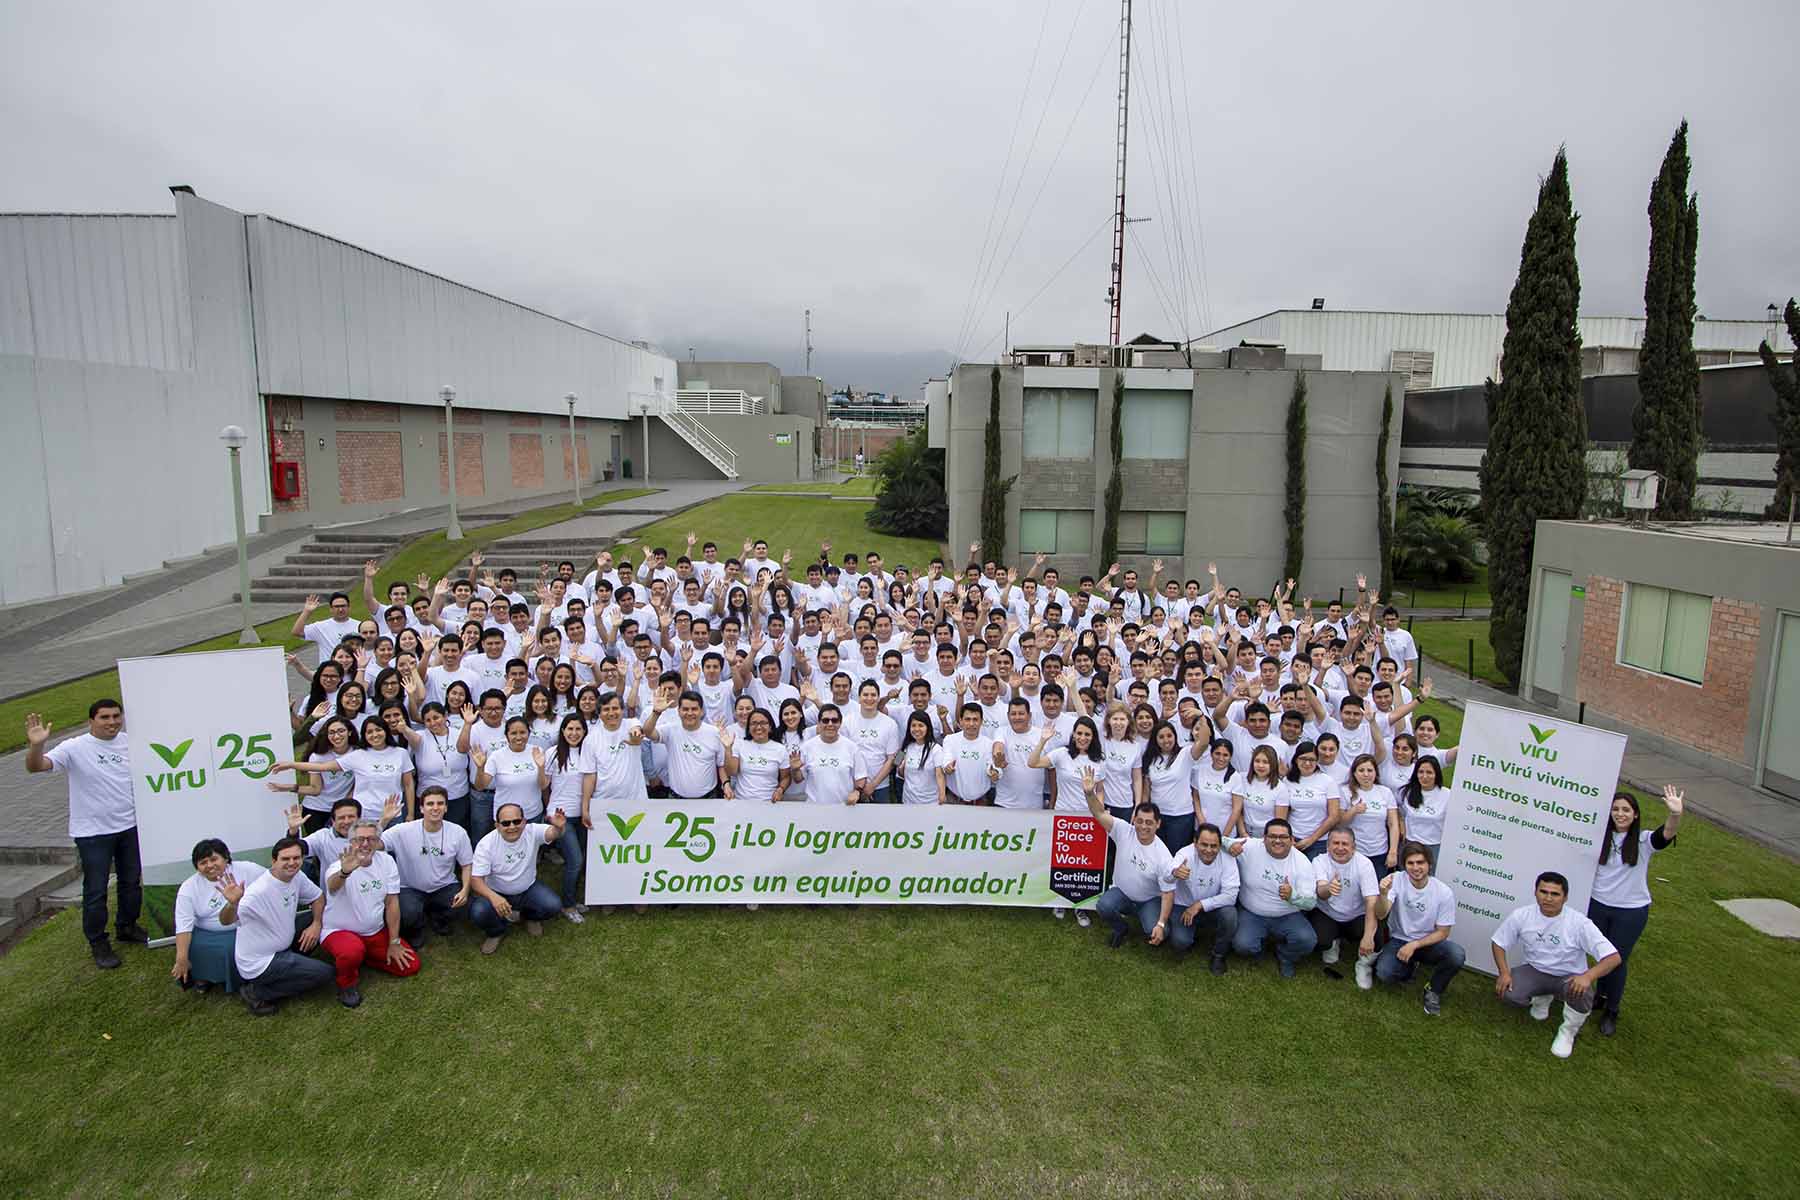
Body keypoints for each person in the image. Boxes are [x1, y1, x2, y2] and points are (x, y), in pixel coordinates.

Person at [24, 703, 146, 970]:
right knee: (96, 890)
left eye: (116, 716)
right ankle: (98, 942)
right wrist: (36, 745)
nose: (112, 722)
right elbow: (36, 766)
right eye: (104, 717)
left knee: (130, 882)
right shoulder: (75, 748)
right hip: (93, 833)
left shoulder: (131, 743)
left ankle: (126, 926)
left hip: (130, 827)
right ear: (92, 721)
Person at [1491, 871, 1623, 1058]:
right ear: (1535, 892)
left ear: (1565, 897)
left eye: (1555, 894)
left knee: (1583, 994)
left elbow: (1613, 958)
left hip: (1568, 977)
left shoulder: (1579, 923)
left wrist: (1587, 977)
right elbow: (1498, 943)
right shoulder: (1521, 915)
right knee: (1508, 992)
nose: (1548, 898)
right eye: (1543, 892)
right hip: (1535, 970)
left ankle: (1568, 1031)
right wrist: (1504, 972)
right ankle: (1543, 996)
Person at [1588, 786, 1682, 1037]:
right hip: (1598, 904)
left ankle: (1612, 1010)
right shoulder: (1600, 837)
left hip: (1629, 912)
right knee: (1600, 955)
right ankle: (1600, 995)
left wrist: (1674, 815)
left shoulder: (1644, 841)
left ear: (1636, 815)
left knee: (1616, 960)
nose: (1620, 814)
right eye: (1616, 809)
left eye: (1626, 810)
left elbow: (1666, 835)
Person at [319, 819, 420, 1007]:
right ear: (351, 842)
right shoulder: (339, 866)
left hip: (374, 931)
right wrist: (344, 872)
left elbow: (392, 903)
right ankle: (346, 984)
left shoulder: (386, 861)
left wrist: (394, 941)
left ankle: (362, 957)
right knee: (351, 951)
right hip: (339, 931)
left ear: (378, 841)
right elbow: (333, 886)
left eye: (371, 839)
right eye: (360, 839)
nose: (365, 844)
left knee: (411, 966)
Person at [233, 836, 332, 1016]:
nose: (292, 863)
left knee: (321, 917)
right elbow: (228, 920)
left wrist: (316, 924)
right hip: (261, 962)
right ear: (274, 861)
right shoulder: (257, 893)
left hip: (282, 943)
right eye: (285, 859)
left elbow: (318, 897)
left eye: (297, 858)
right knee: (325, 973)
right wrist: (231, 904)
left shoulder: (297, 875)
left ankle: (292, 963)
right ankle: (256, 992)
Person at [1080, 770, 1175, 951]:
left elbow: (1169, 893)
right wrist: (1089, 793)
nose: (1143, 826)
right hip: (1122, 893)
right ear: (1134, 819)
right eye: (1140, 821)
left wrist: (1161, 924)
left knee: (1159, 931)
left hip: (1149, 900)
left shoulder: (1163, 855)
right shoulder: (1124, 830)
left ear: (1158, 824)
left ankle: (1153, 921)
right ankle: (1121, 928)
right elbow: (1099, 814)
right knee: (1104, 906)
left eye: (1149, 822)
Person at [1373, 842, 1466, 1012]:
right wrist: (1383, 894)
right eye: (1410, 863)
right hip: (1399, 939)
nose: (1416, 868)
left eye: (1420, 862)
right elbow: (1380, 914)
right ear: (1404, 865)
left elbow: (1443, 932)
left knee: (1456, 954)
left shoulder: (1443, 892)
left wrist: (1414, 945)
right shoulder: (1396, 880)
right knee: (1384, 973)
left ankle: (1434, 990)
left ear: (1429, 864)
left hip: (1428, 942)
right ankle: (1409, 967)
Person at [470, 803, 569, 954]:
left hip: (527, 889)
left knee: (553, 905)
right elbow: (476, 881)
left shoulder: (531, 830)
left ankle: (529, 917)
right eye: (505, 823)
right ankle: (497, 931)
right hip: (497, 892)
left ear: (524, 821)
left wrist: (559, 827)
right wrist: (494, 898)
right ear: (497, 825)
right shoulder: (486, 844)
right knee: (479, 911)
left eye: (517, 821)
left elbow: (552, 833)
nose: (512, 827)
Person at [171, 839, 266, 995]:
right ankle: (202, 977)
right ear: (197, 867)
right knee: (190, 947)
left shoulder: (247, 869)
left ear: (226, 858)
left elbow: (271, 879)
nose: (209, 866)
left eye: (214, 859)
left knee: (230, 948)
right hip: (206, 930)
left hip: (242, 925)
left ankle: (239, 980)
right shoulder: (188, 887)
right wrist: (181, 958)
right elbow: (183, 924)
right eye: (203, 862)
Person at [1225, 818, 1317, 977]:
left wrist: (1293, 896)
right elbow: (1219, 839)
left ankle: (1285, 955)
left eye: (1283, 837)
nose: (1277, 841)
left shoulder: (1302, 863)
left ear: (1292, 840)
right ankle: (1258, 949)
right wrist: (1229, 846)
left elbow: (1311, 903)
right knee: (1242, 945)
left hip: (1287, 914)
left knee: (1307, 941)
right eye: (1272, 836)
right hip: (1252, 912)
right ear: (1264, 839)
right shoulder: (1251, 846)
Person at [382, 786, 473, 944]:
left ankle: (438, 919)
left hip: (444, 886)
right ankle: (415, 928)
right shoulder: (402, 830)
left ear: (446, 808)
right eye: (430, 804)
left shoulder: (458, 832)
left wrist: (465, 890)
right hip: (409, 887)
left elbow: (466, 865)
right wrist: (384, 820)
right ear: (421, 808)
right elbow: (373, 845)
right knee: (407, 914)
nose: (435, 808)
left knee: (460, 907)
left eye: (440, 803)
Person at [1163, 822, 1239, 973]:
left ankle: (1219, 954)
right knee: (1180, 942)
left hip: (1211, 907)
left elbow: (1231, 896)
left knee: (1230, 914)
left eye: (1214, 846)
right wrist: (1174, 873)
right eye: (1204, 845)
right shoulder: (1184, 854)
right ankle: (1192, 933)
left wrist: (1199, 905)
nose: (1209, 850)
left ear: (1220, 845)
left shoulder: (1228, 858)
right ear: (1195, 842)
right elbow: (1166, 876)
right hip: (1183, 906)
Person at [1309, 828, 1381, 987]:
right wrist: (1329, 888)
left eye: (1345, 844)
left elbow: (1371, 901)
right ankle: (1332, 943)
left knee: (1377, 937)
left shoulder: (1364, 864)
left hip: (1356, 915)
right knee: (1318, 940)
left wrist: (1368, 936)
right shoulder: (1319, 861)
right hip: (1327, 913)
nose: (1340, 848)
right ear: (1328, 846)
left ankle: (1364, 965)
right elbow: (1320, 892)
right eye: (1335, 843)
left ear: (1354, 847)